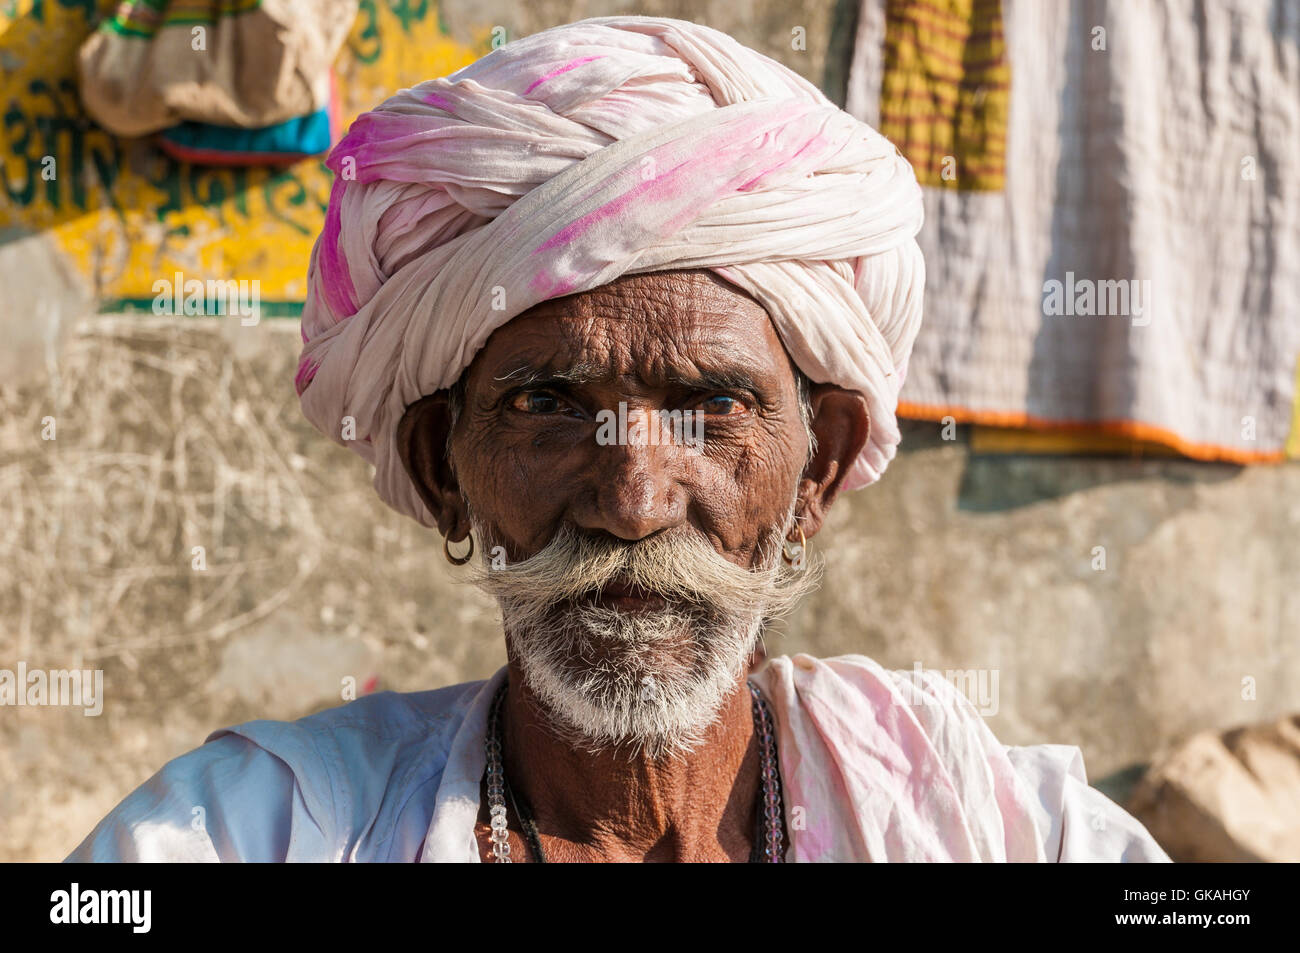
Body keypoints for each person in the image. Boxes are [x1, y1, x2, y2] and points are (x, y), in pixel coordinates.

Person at [67, 16, 1169, 863]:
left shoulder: (992, 825)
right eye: (546, 405)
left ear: (818, 466)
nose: (633, 499)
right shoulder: (252, 832)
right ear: (441, 468)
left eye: (711, 407)